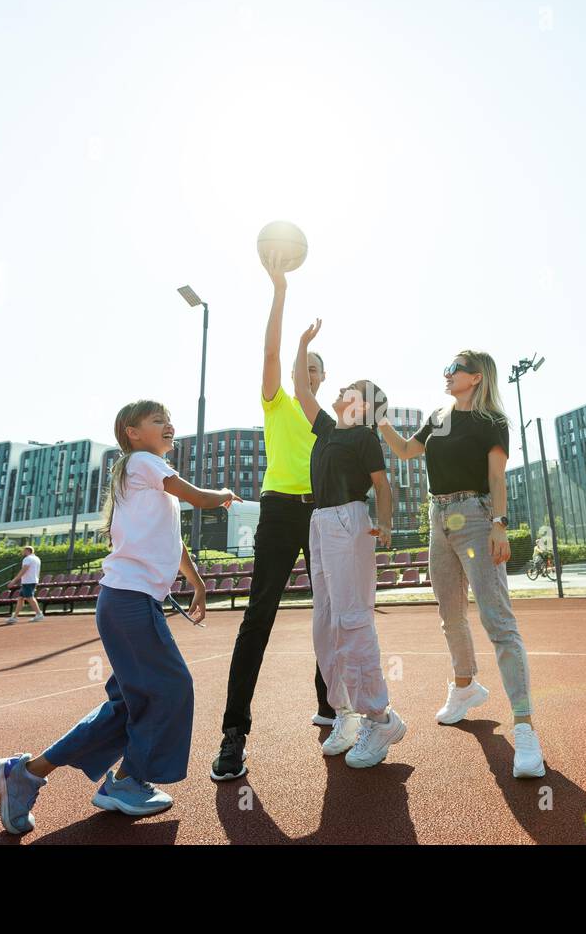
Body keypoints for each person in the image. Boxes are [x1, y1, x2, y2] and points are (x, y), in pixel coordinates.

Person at [0, 400, 238, 835]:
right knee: (172, 687)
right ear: (132, 432)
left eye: (168, 419)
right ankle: (125, 780)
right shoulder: (143, 462)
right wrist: (223, 496)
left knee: (127, 707)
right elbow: (199, 497)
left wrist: (195, 579)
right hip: (129, 603)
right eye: (157, 420)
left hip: (127, 603)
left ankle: (26, 772)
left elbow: (171, 538)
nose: (169, 425)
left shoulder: (145, 479)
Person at [378, 351, 545, 779]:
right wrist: (379, 419)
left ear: (475, 377)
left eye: (454, 369)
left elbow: (496, 478)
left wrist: (499, 525)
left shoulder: (492, 423)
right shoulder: (438, 416)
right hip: (439, 518)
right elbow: (405, 451)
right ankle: (466, 686)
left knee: (498, 622)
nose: (446, 374)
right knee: (449, 615)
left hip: (475, 516)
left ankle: (525, 729)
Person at [211, 254, 335, 782]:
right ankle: (234, 734)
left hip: (324, 517)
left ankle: (331, 710)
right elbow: (270, 349)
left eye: (315, 370)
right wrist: (280, 291)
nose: (306, 373)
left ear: (323, 380)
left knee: (330, 616)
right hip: (280, 513)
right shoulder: (276, 403)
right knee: (258, 617)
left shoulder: (327, 420)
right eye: (301, 368)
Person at [294, 318, 404, 768]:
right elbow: (302, 390)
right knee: (325, 623)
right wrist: (302, 344)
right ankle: (346, 713)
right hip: (320, 521)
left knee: (353, 618)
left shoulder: (362, 436)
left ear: (365, 407)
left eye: (353, 390)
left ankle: (380, 717)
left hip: (348, 519)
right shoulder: (326, 428)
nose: (342, 390)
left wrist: (384, 524)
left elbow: (383, 486)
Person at [5, 546, 43, 624]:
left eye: (23, 550)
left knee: (29, 597)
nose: (22, 552)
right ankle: (14, 617)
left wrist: (14, 581)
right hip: (31, 581)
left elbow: (24, 570)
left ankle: (39, 614)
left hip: (28, 581)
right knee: (21, 598)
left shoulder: (27, 559)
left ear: (27, 550)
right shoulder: (37, 559)